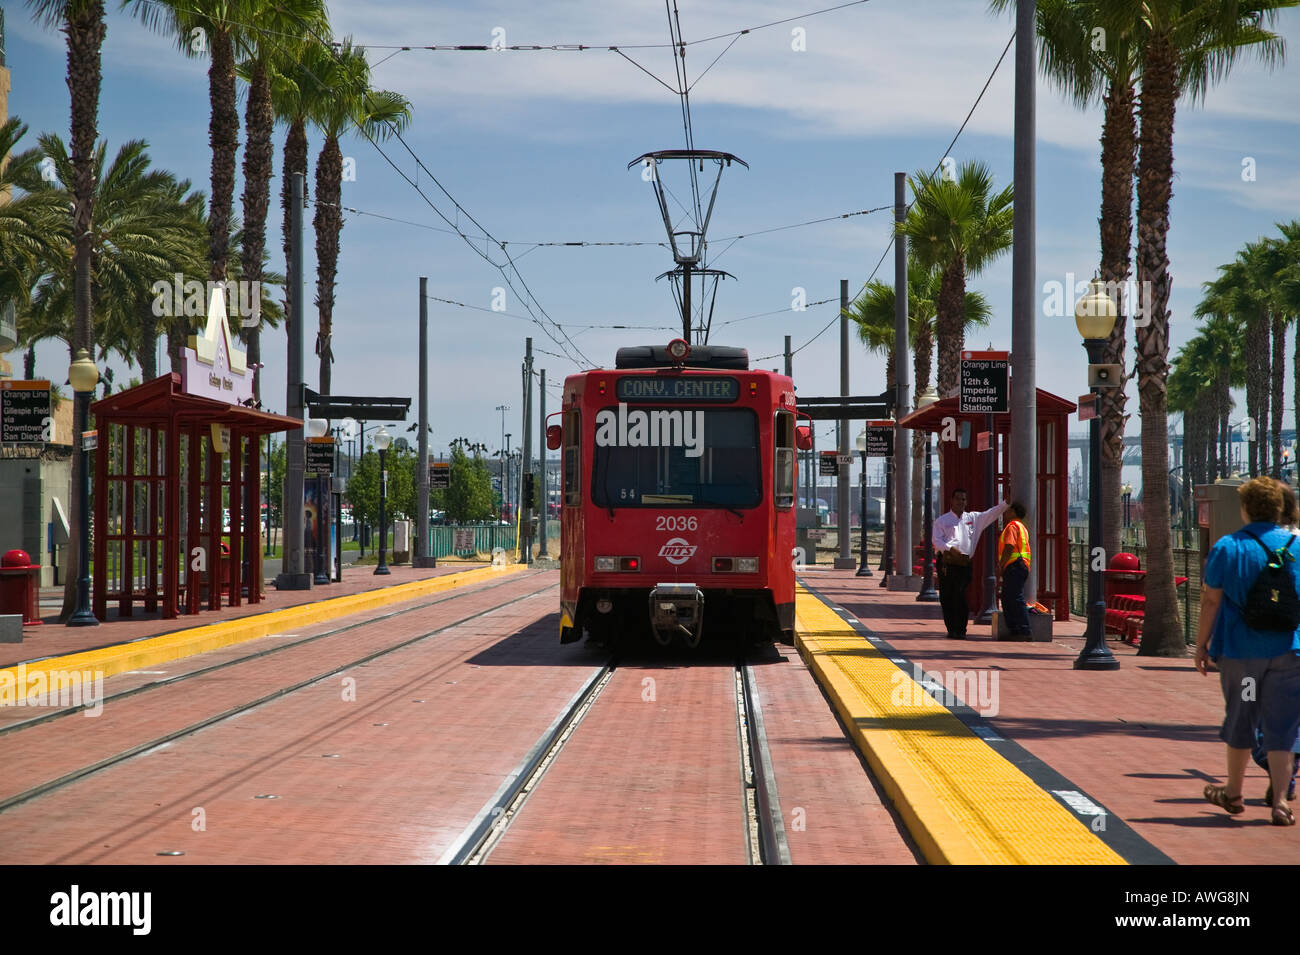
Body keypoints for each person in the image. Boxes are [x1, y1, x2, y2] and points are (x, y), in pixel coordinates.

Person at [1195, 476, 1300, 826]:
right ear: (1279, 508)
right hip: (1289, 654)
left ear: (1245, 509)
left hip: (1243, 655)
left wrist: (1201, 644)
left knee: (1243, 717)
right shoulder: (1297, 545)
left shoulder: (1229, 547)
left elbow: (1211, 600)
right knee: (1283, 727)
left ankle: (1234, 792)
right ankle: (1281, 802)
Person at [932, 488, 1008, 639]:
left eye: (963, 499)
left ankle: (961, 629)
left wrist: (1006, 504)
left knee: (960, 595)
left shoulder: (973, 518)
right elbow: (936, 540)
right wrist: (950, 549)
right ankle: (951, 629)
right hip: (947, 562)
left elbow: (991, 513)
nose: (960, 502)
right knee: (947, 596)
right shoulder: (942, 521)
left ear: (966, 502)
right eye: (958, 498)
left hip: (964, 563)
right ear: (952, 500)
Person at [997, 501, 1032, 637]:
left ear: (1013, 512)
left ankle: (1023, 630)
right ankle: (1016, 629)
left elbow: (1009, 547)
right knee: (1009, 597)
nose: (1006, 512)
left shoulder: (1012, 526)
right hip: (1022, 565)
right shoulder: (1022, 527)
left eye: (1008, 510)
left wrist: (1000, 565)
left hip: (1014, 565)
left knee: (1014, 598)